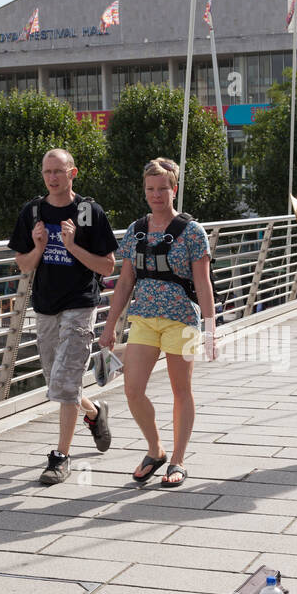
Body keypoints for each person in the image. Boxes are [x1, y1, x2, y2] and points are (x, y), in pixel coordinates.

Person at [99, 157, 217, 488]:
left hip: (181, 319)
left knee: (182, 391)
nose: (156, 195)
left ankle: (178, 460)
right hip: (144, 319)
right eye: (150, 189)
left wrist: (210, 329)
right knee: (132, 389)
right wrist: (109, 328)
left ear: (174, 189)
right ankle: (156, 449)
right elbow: (124, 283)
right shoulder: (136, 231)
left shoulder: (193, 232)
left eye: (162, 188)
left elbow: (203, 283)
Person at [9, 148, 117, 485]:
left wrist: (72, 247)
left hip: (80, 303)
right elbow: (24, 266)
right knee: (58, 382)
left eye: (58, 171)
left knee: (66, 382)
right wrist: (39, 247)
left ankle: (60, 458)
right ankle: (95, 412)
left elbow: (108, 266)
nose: (52, 178)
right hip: (45, 305)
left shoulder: (88, 211)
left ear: (73, 173)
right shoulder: (33, 212)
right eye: (47, 172)